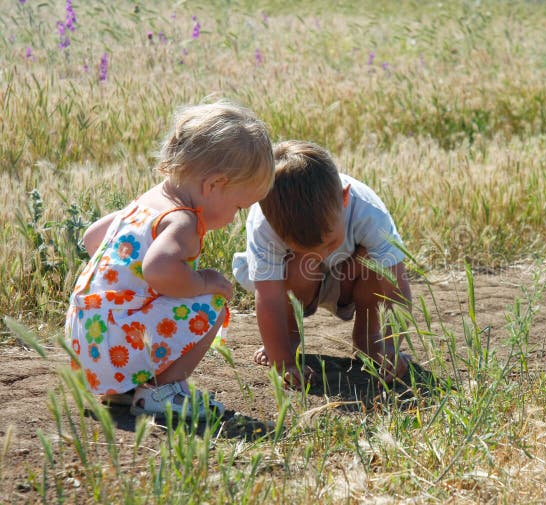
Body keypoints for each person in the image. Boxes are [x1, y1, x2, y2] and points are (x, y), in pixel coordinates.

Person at [65, 100, 274, 419]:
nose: (235, 218)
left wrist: (127, 286)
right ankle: (162, 391)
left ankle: (123, 390)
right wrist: (204, 281)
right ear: (214, 185)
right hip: (114, 340)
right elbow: (158, 268)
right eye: (239, 206)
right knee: (212, 301)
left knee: (159, 297)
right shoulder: (182, 220)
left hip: (85, 337)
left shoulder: (144, 203)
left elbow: (93, 237)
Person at [232, 140, 411, 386]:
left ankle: (368, 336)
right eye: (306, 248)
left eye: (329, 241)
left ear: (344, 198)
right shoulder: (265, 222)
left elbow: (396, 288)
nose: (323, 253)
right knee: (296, 266)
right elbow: (269, 297)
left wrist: (392, 345)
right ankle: (289, 336)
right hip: (297, 280)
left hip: (351, 275)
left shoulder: (369, 212)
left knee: (376, 264)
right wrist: (281, 359)